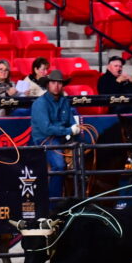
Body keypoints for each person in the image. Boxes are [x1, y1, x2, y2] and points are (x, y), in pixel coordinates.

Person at [30, 69, 88, 199]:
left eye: (59, 83)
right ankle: (54, 202)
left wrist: (74, 131)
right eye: (53, 83)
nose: (56, 86)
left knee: (87, 151)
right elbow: (46, 129)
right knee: (59, 165)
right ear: (48, 84)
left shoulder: (64, 101)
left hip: (61, 137)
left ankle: (81, 196)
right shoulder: (40, 103)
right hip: (45, 140)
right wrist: (68, 130)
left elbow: (71, 122)